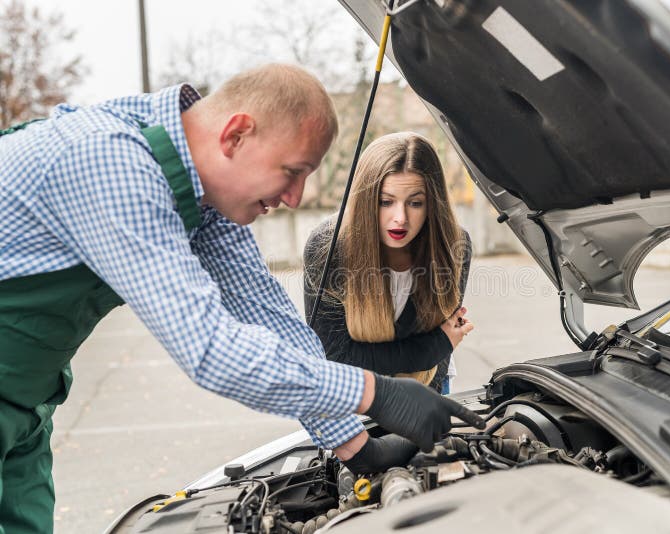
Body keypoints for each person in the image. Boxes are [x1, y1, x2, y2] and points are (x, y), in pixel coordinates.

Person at [0, 64, 482, 534]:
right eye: (291, 172)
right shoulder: (112, 165)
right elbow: (212, 350)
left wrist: (359, 447)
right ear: (235, 135)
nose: (294, 198)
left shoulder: (205, 195)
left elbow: (275, 324)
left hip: (24, 408)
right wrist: (379, 393)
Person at [304, 132, 474, 394]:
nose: (400, 218)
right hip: (352, 396)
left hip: (429, 388)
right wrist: (432, 348)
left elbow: (441, 350)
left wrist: (436, 349)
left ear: (433, 204)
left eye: (416, 203)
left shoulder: (455, 244)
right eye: (385, 202)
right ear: (365, 201)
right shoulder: (327, 247)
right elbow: (334, 357)